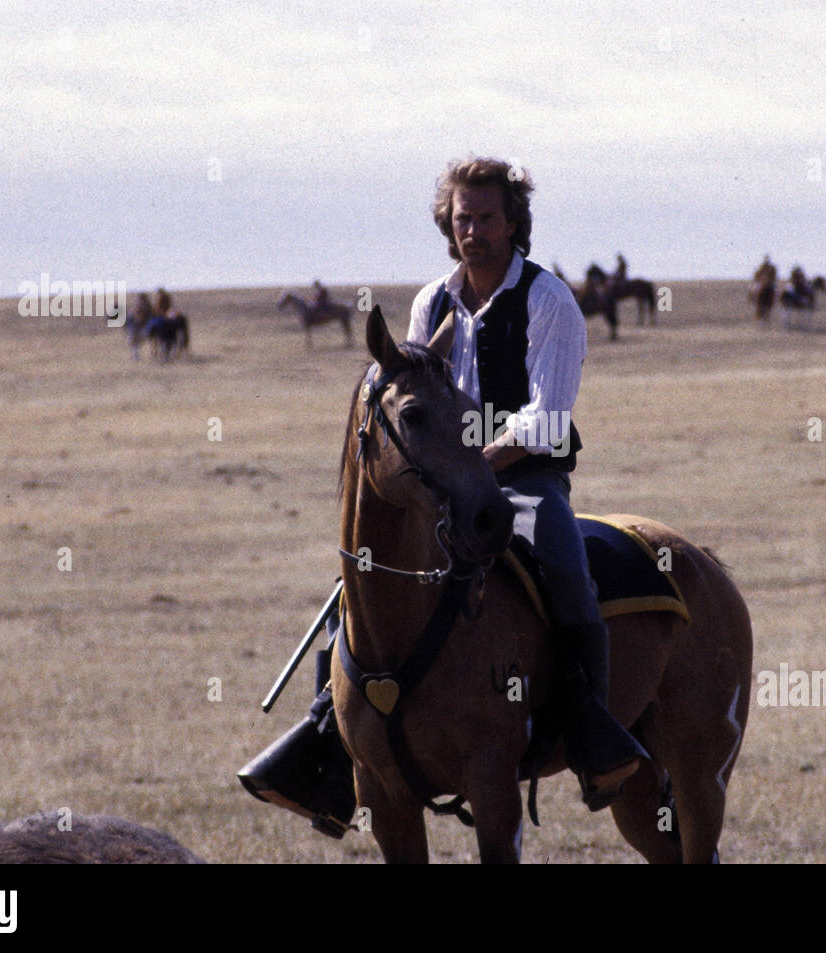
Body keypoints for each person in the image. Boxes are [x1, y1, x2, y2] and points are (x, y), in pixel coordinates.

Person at [239, 156, 648, 828]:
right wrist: (440, 468)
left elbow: (549, 416)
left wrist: (478, 461)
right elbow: (415, 396)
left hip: (526, 477)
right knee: (363, 578)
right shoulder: (432, 301)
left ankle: (591, 726)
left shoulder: (548, 300)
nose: (474, 230)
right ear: (448, 224)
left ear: (512, 223)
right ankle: (331, 739)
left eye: (487, 217)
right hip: (449, 481)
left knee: (564, 562)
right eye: (463, 218)